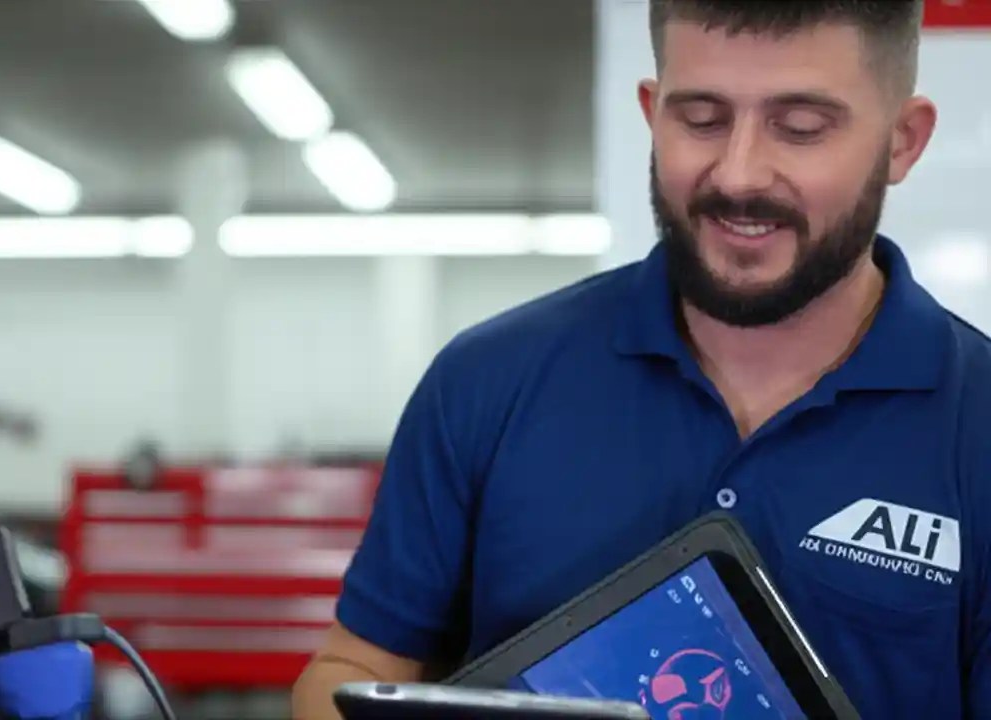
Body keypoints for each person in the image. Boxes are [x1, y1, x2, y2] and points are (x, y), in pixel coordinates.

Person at [291, 1, 991, 718]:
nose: (741, 173)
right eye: (702, 119)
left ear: (903, 142)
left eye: (801, 128)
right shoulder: (486, 382)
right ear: (653, 114)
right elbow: (350, 667)